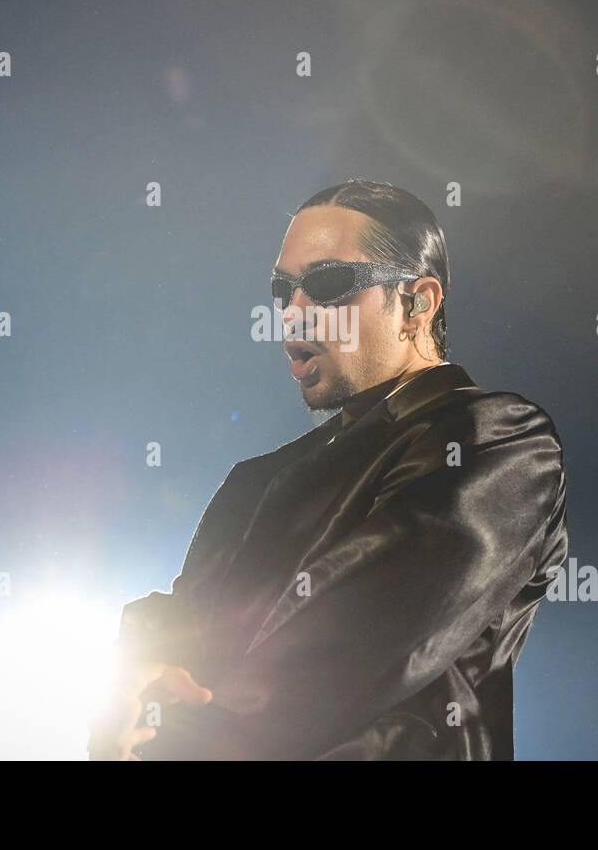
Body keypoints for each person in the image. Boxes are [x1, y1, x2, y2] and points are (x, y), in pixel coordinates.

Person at [89, 179, 569, 760]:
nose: (294, 314)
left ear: (419, 303)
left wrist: (180, 727)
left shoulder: (496, 436)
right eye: (284, 291)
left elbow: (361, 636)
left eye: (327, 284)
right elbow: (183, 630)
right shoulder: (255, 479)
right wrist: (139, 678)